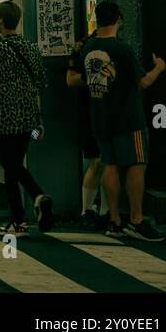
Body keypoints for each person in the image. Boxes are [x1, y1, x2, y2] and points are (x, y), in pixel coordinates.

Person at [74, 2, 166, 241]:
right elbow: (143, 82)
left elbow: (82, 79)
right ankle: (136, 219)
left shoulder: (88, 47)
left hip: (99, 117)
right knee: (137, 163)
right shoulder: (122, 50)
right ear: (119, 19)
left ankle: (113, 219)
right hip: (127, 118)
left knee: (110, 165)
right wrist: (159, 68)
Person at [0, 1, 55, 235]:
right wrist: (38, 118)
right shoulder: (31, 48)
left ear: (1, 21)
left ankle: (19, 220)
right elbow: (40, 82)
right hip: (29, 118)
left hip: (5, 117)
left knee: (9, 168)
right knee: (15, 163)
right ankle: (37, 198)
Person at [67, 32, 107, 229]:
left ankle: (105, 211)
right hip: (92, 112)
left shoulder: (82, 45)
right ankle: (89, 209)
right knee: (99, 162)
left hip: (96, 112)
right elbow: (71, 79)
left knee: (105, 163)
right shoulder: (83, 46)